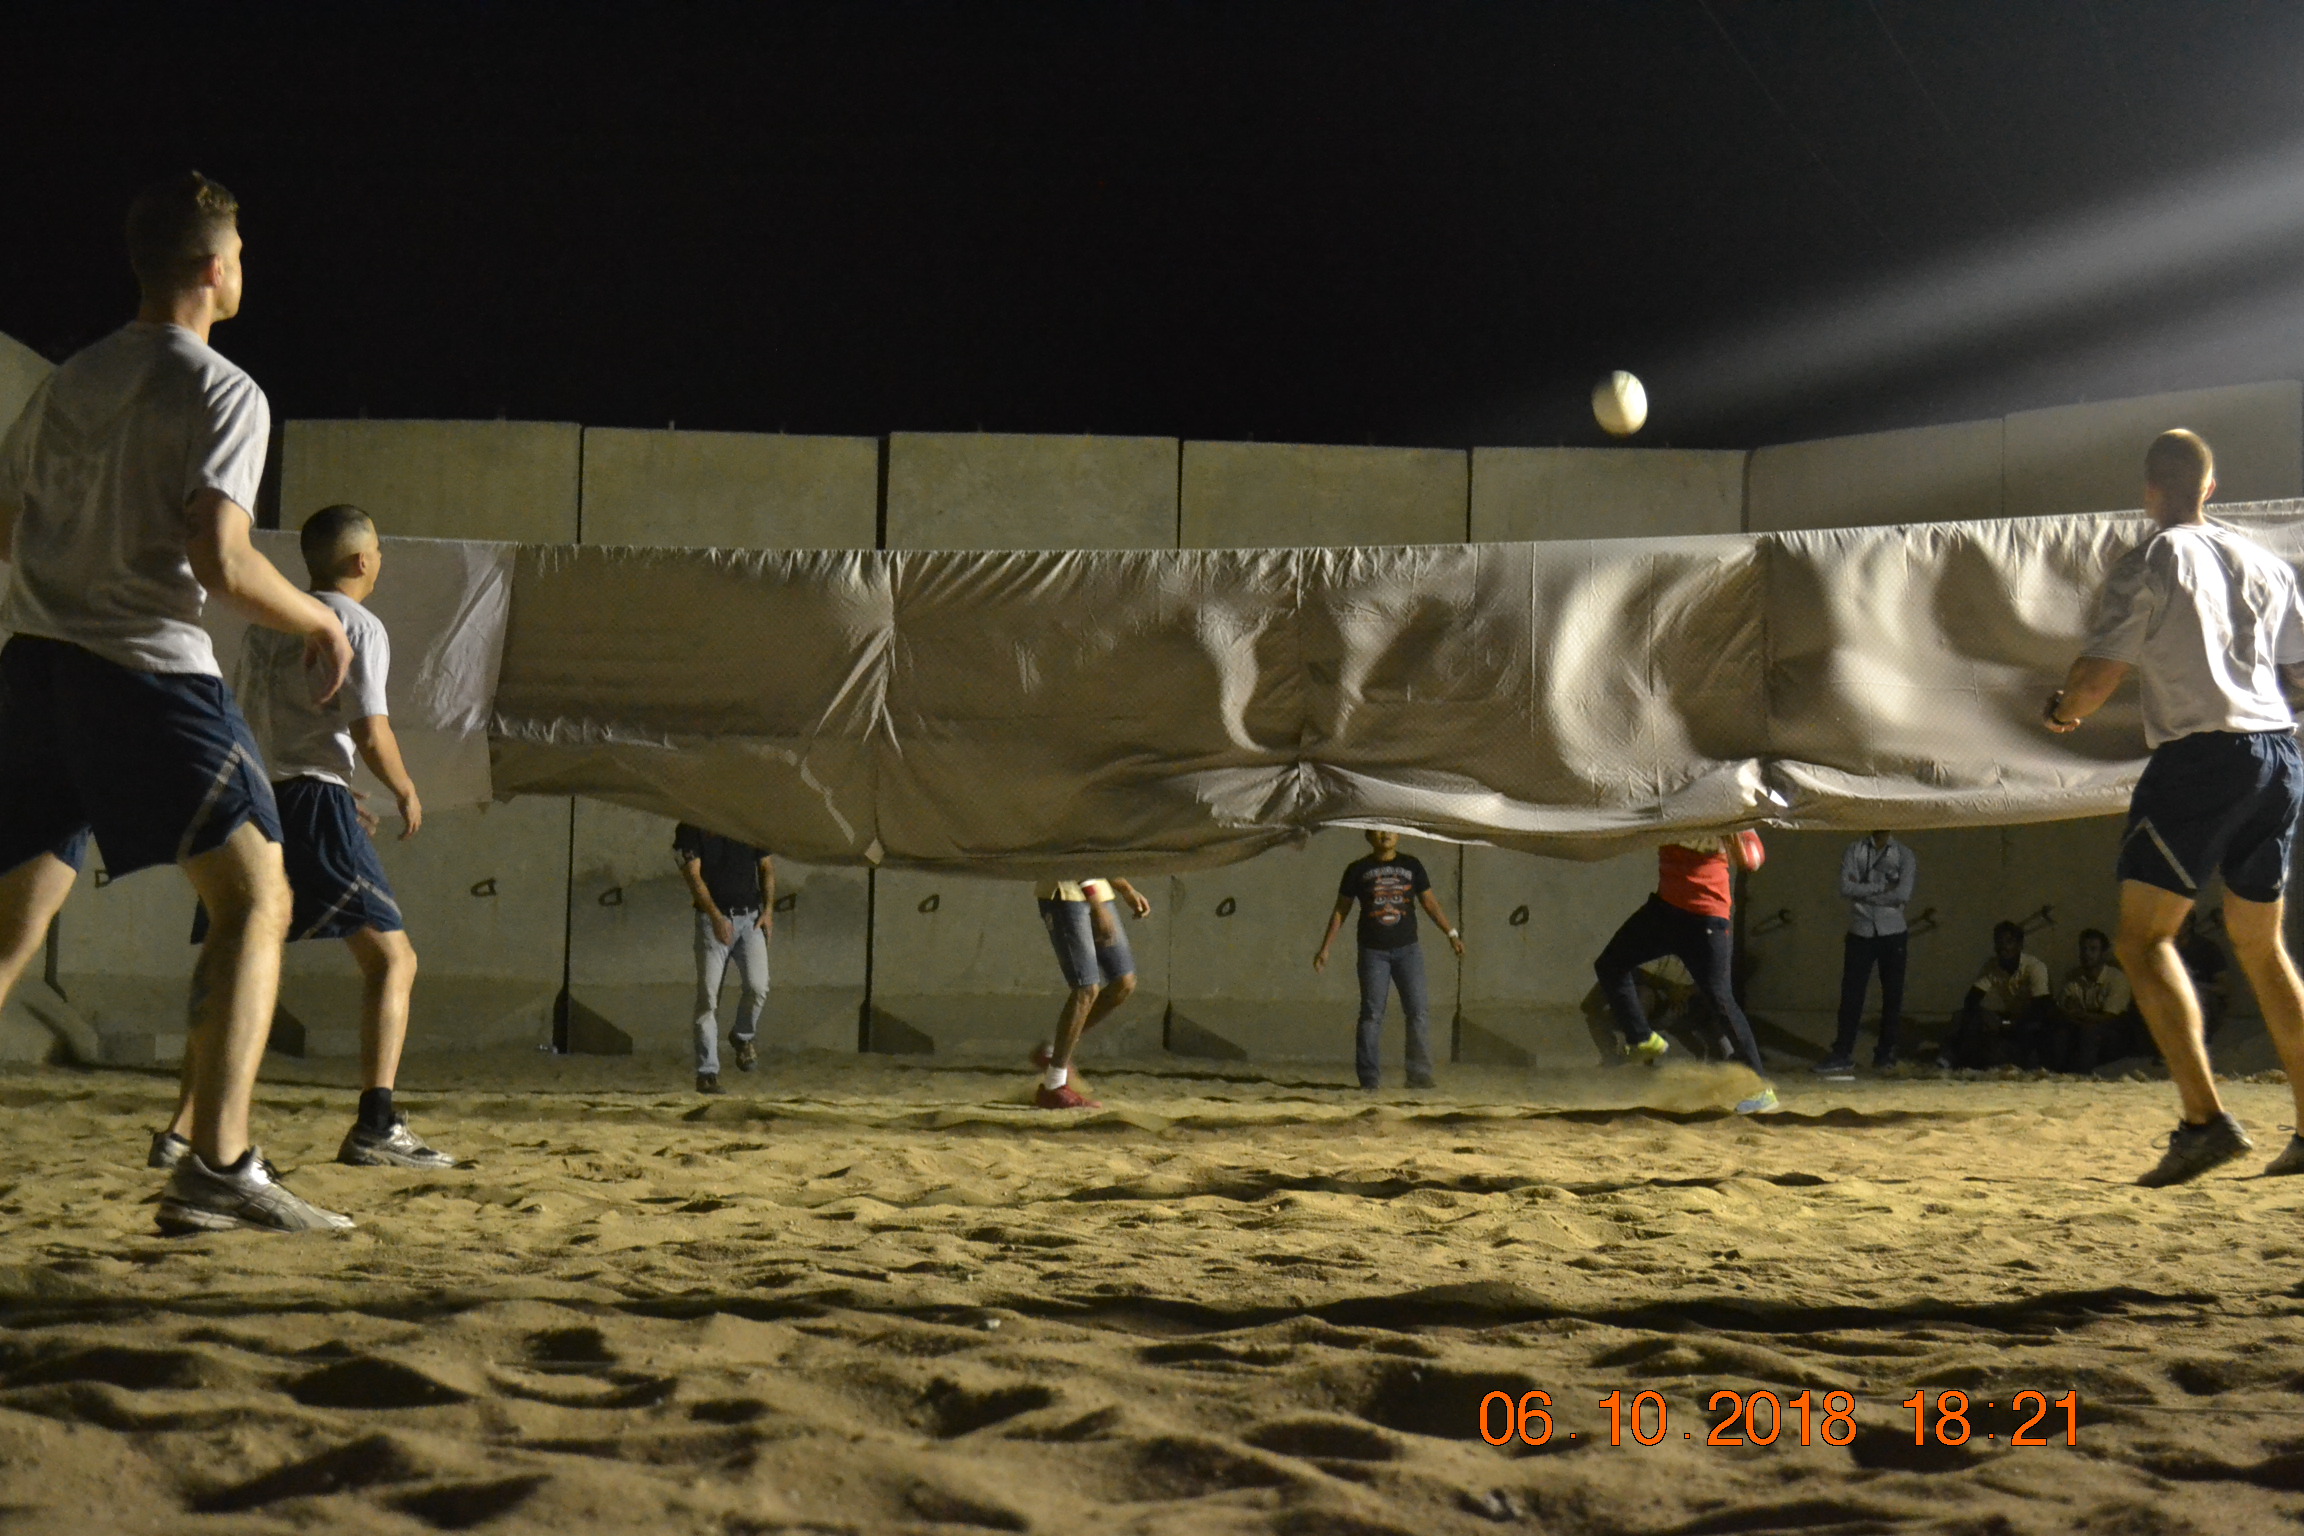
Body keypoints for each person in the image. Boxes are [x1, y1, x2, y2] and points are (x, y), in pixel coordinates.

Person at [0, 173, 355, 1232]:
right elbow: (222, 559)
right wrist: (322, 620)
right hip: (146, 673)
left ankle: (216, 1160)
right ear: (213, 267)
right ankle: (219, 1165)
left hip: (34, 671)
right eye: (239, 253)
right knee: (257, 899)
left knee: (10, 929)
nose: (244, 269)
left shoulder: (69, 382)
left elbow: (4, 522)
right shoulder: (223, 390)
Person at [2044, 427, 2304, 1184]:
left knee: (2143, 942)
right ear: (2211, 487)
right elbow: (2300, 674)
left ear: (2150, 488)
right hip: (2279, 755)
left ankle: (2204, 1122)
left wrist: (2064, 711)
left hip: (2200, 761)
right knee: (2262, 946)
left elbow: (2098, 676)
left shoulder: (2153, 558)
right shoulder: (2267, 563)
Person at [157, 504, 450, 1170]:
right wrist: (404, 787)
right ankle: (376, 1124)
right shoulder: (357, 623)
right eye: (379, 549)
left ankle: (178, 1133)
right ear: (361, 560)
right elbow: (370, 729)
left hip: (252, 799)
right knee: (393, 960)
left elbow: (259, 719)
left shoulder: (269, 619)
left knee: (231, 964)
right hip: (312, 798)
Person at [1591, 831, 1778, 1113]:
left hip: (1706, 916)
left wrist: (1732, 833)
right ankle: (1642, 1038)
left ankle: (1759, 1088)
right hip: (1665, 910)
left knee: (1719, 998)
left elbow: (1751, 860)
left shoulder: (1732, 813)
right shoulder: (1676, 809)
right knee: (1610, 964)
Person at [1312, 829, 1465, 1090]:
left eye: (1391, 829)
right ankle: (1369, 1079)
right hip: (1373, 952)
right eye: (1379, 829)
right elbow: (1341, 910)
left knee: (1418, 1011)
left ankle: (1419, 1076)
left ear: (1400, 834)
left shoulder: (1412, 865)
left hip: (1408, 950)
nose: (1385, 834)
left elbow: (1430, 902)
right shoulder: (1357, 869)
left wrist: (1451, 933)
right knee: (1372, 1014)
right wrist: (1326, 948)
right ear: (1368, 835)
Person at [1029, 876, 1151, 1109]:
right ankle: (1053, 1086)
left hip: (1098, 893)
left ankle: (1051, 1050)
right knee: (1086, 988)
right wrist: (1097, 905)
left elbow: (1099, 858)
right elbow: (1075, 859)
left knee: (1123, 983)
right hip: (1065, 894)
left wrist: (1126, 889)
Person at [675, 821, 773, 1095]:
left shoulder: (745, 819)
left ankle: (742, 1035)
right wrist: (717, 917)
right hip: (712, 921)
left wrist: (768, 911)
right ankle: (707, 1072)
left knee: (759, 986)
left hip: (750, 918)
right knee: (708, 998)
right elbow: (693, 876)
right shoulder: (691, 826)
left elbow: (766, 866)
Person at [1816, 830, 1917, 1074]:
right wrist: (1881, 888)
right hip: (1860, 930)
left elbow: (1903, 894)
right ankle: (1842, 1052)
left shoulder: (1904, 854)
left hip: (1892, 931)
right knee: (1851, 995)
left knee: (1892, 995)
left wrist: (1863, 892)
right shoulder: (1855, 850)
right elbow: (1845, 887)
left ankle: (1885, 1054)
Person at [1944, 921, 2054, 1069]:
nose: (2003, 947)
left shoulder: (2034, 967)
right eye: (1999, 942)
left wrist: (2010, 1023)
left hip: (2032, 1023)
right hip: (2010, 1018)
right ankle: (1948, 1058)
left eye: (2009, 942)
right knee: (1961, 1016)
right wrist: (1990, 1019)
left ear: (2020, 945)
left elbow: (2041, 1007)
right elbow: (1972, 999)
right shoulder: (1992, 965)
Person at [2051, 928, 2136, 1075]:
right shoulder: (2074, 978)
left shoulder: (2116, 979)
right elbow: (2065, 1007)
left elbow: (2109, 1017)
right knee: (2059, 1030)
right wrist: (2076, 1013)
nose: (2087, 954)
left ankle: (2083, 1076)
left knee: (2089, 1032)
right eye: (2083, 949)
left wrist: (2080, 1015)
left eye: (2093, 949)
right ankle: (2056, 1074)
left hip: (2113, 1034)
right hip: (2084, 1026)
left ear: (2103, 953)